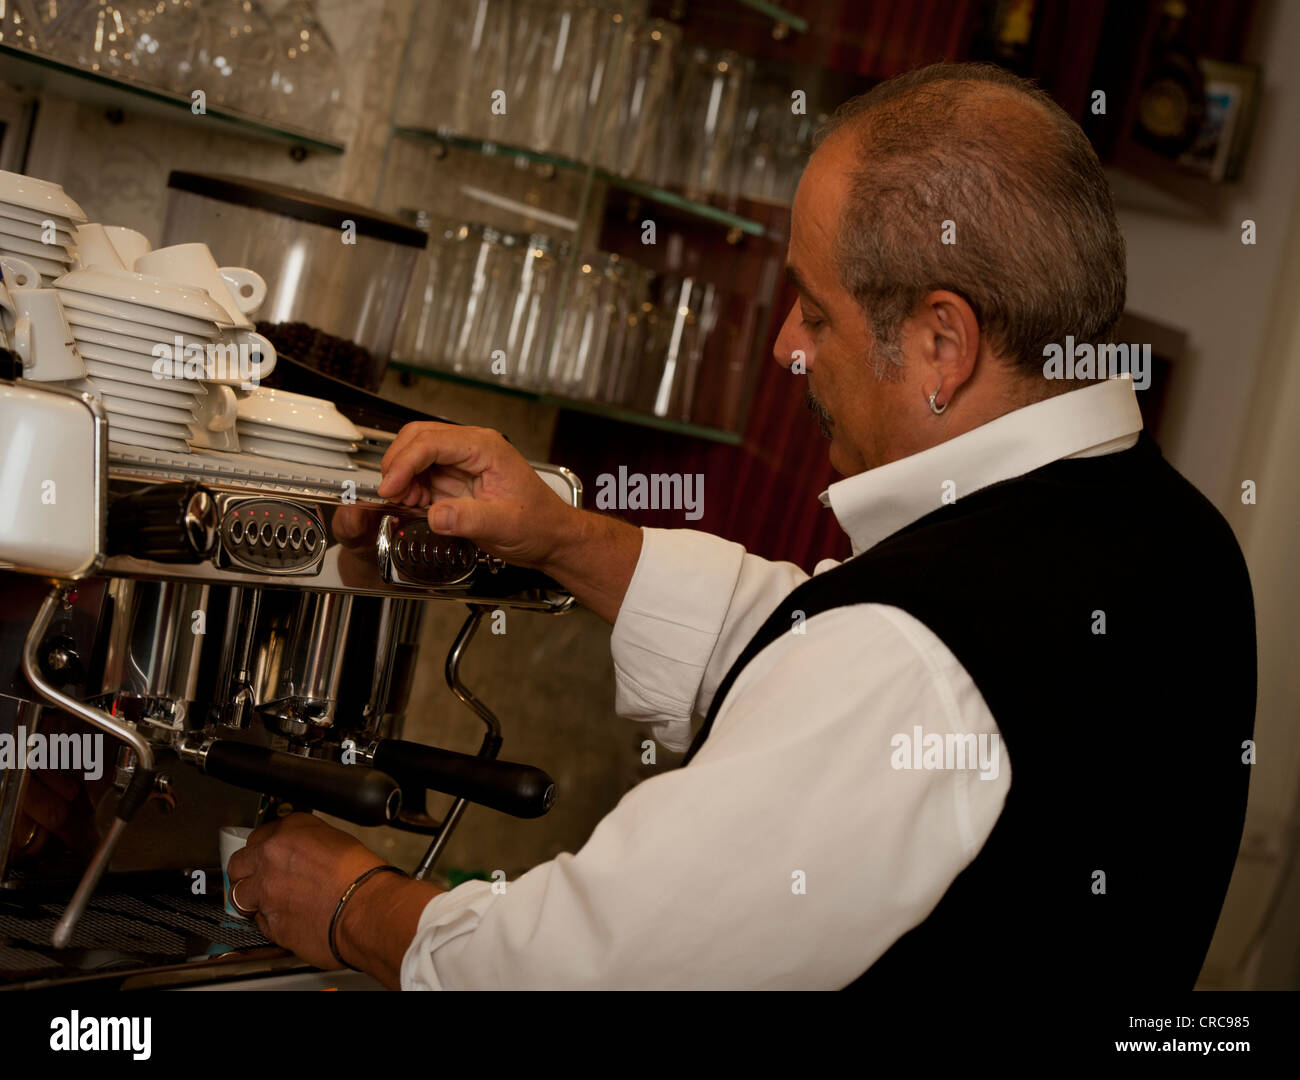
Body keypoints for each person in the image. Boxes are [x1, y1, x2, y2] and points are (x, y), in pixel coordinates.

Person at [227, 62, 1256, 990]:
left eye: (814, 308)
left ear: (942, 341)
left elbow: (587, 973)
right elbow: (821, 650)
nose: (783, 347)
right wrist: (564, 537)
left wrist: (361, 909)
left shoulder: (910, 651)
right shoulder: (1168, 532)